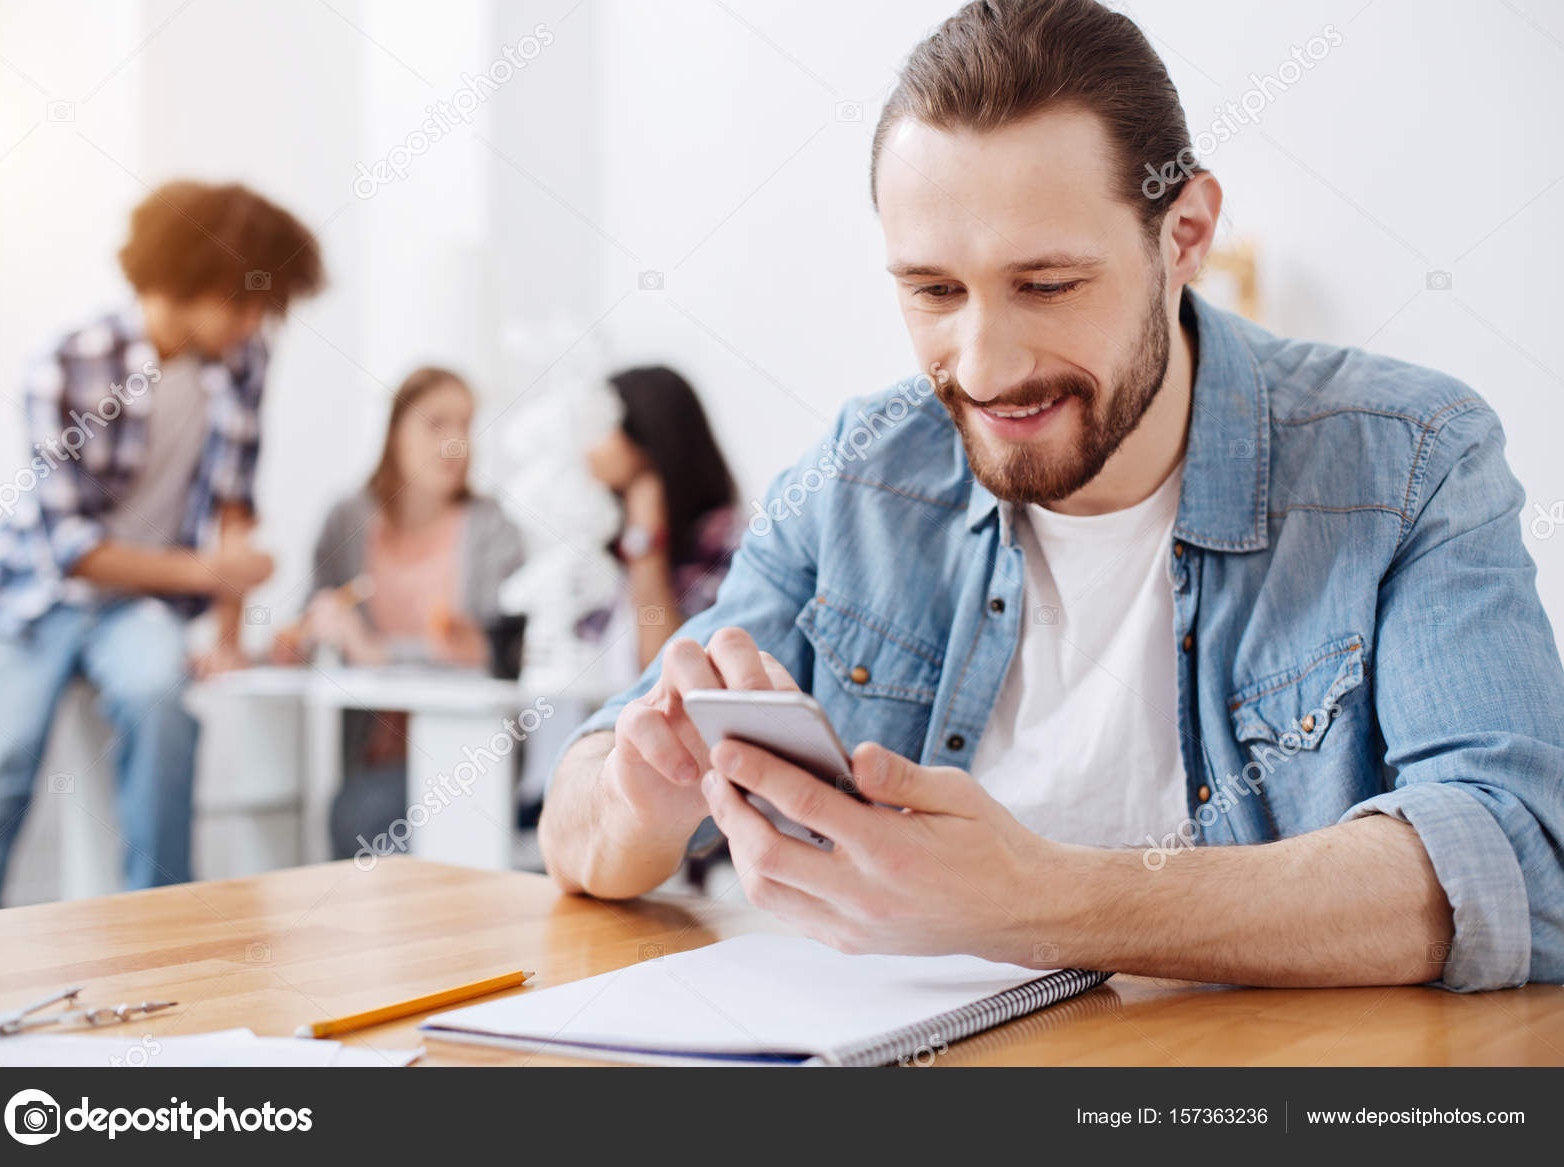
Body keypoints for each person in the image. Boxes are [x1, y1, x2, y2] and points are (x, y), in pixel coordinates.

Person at [540, 0, 1564, 992]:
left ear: (1185, 235)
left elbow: (1520, 856)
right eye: (934, 291)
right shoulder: (857, 476)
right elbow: (576, 816)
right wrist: (643, 801)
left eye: (1046, 285)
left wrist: (1034, 901)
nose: (984, 367)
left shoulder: (1407, 459)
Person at [0, 180, 324, 911]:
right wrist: (211, 572)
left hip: (138, 607)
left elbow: (234, 499)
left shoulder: (242, 361)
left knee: (160, 702)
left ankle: (161, 926)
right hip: (32, 599)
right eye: (243, 302)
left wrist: (229, 635)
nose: (253, 322)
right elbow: (72, 549)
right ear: (190, 278)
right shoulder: (67, 363)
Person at [273, 366, 523, 859]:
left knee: (363, 818)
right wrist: (295, 643)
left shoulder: (493, 528)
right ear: (394, 432)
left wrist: (374, 652)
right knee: (357, 813)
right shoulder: (346, 519)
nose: (456, 442)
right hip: (371, 758)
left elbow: (500, 654)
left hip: (467, 758)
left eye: (465, 425)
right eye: (436, 424)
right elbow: (311, 626)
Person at [585, 366, 741, 670]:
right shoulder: (609, 534)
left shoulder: (725, 539)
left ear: (644, 435)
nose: (587, 449)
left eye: (600, 428)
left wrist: (646, 539)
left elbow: (661, 666)